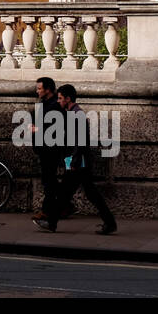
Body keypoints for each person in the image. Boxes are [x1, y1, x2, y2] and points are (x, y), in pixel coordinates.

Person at [33, 85, 117, 234]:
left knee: (69, 193)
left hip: (77, 163)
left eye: (60, 98)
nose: (58, 101)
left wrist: (73, 162)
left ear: (68, 99)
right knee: (78, 193)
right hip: (77, 162)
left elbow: (79, 143)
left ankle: (52, 222)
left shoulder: (76, 115)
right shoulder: (72, 113)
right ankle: (109, 223)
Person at [32, 77, 64, 221]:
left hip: (51, 149)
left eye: (39, 88)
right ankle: (65, 205)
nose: (37, 91)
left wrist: (35, 129)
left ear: (48, 90)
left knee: (49, 181)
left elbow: (52, 128)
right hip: (43, 148)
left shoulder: (55, 105)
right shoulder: (44, 103)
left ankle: (46, 211)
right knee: (50, 180)